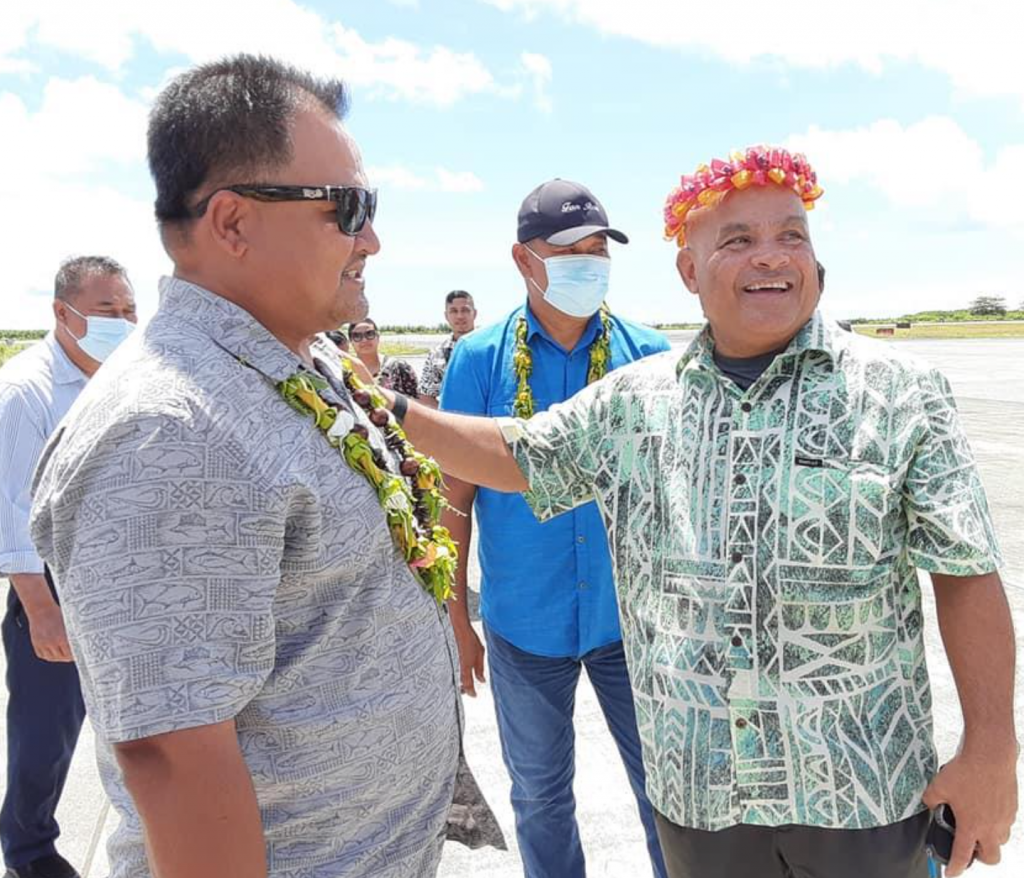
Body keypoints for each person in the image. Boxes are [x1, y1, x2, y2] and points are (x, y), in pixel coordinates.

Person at [376, 146, 1017, 878]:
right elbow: (515, 455)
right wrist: (379, 405)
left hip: (862, 790)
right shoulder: (637, 399)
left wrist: (992, 748)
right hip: (702, 795)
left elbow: (966, 572)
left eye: (791, 234)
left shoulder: (902, 393)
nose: (770, 256)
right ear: (688, 270)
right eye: (738, 240)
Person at [29, 55, 468, 878]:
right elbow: (171, 757)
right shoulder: (168, 432)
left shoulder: (298, 358)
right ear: (232, 222)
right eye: (348, 208)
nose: (372, 239)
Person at [439, 178, 669, 878]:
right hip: (524, 626)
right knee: (540, 797)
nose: (589, 263)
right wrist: (455, 614)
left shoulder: (649, 355)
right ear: (524, 259)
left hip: (630, 623)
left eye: (599, 249)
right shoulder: (478, 359)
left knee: (666, 793)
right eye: (570, 251)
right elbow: (455, 496)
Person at [0, 256, 136, 878]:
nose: (123, 322)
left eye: (130, 309)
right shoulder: (24, 392)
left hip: (119, 579)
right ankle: (29, 853)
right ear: (63, 312)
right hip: (52, 588)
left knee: (133, 723)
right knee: (45, 734)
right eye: (108, 310)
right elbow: (12, 509)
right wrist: (41, 611)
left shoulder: (121, 377)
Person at [419, 290, 477, 408]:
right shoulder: (437, 354)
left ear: (474, 313)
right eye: (454, 311)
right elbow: (425, 395)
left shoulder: (493, 349)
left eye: (465, 310)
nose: (460, 316)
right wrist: (447, 415)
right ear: (446, 316)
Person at [349, 317, 420, 397]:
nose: (364, 340)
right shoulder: (345, 371)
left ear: (378, 337)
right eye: (357, 336)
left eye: (369, 334)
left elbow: (418, 399)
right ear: (351, 341)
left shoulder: (398, 367)